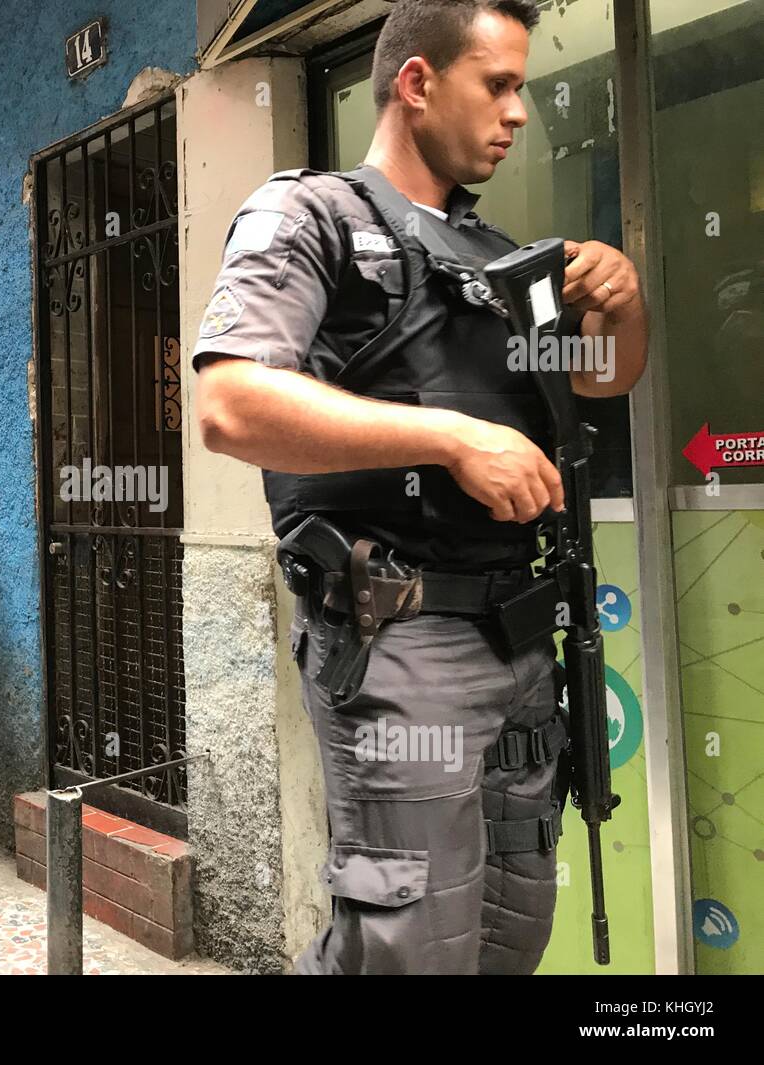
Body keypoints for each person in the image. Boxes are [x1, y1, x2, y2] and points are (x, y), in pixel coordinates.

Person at [192, 0, 648, 974]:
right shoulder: (307, 212)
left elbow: (602, 375)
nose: (517, 112)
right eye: (498, 84)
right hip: (403, 645)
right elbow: (230, 404)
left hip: (521, 642)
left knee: (509, 937)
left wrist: (620, 299)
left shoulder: (502, 263)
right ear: (415, 83)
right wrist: (449, 439)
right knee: (408, 952)